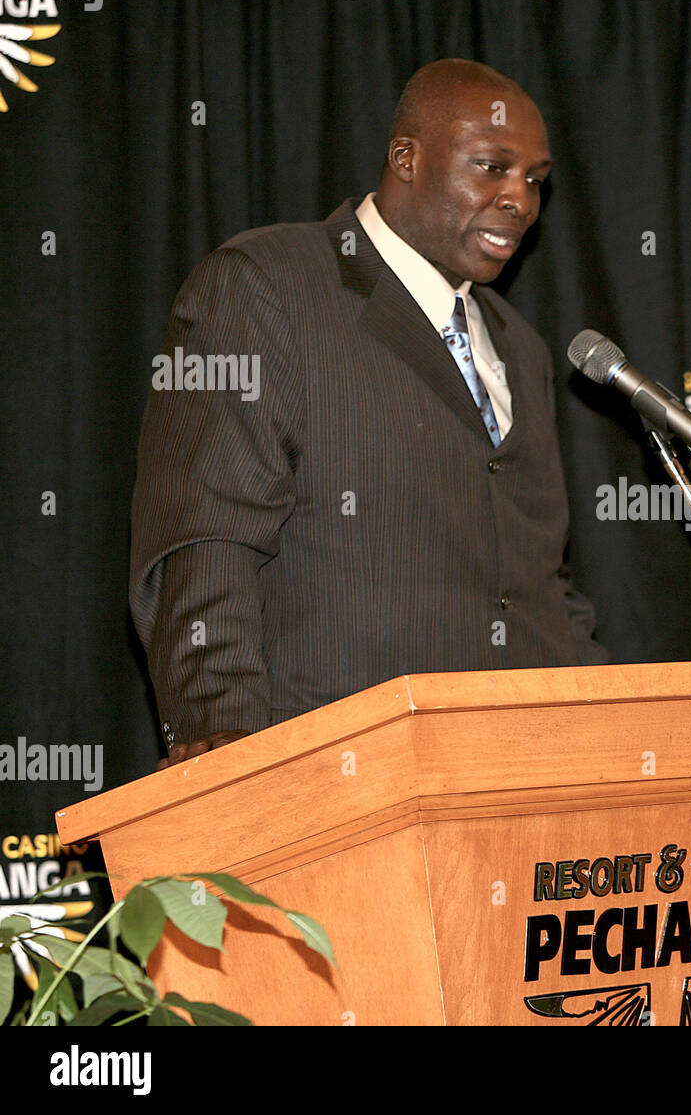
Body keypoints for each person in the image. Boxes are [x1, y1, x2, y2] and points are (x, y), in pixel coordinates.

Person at [131, 60, 609, 771]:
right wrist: (226, 761)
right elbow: (206, 544)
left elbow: (542, 582)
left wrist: (611, 733)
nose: (520, 200)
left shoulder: (520, 347)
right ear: (406, 158)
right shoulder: (269, 286)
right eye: (491, 167)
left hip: (519, 791)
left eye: (535, 179)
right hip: (340, 785)